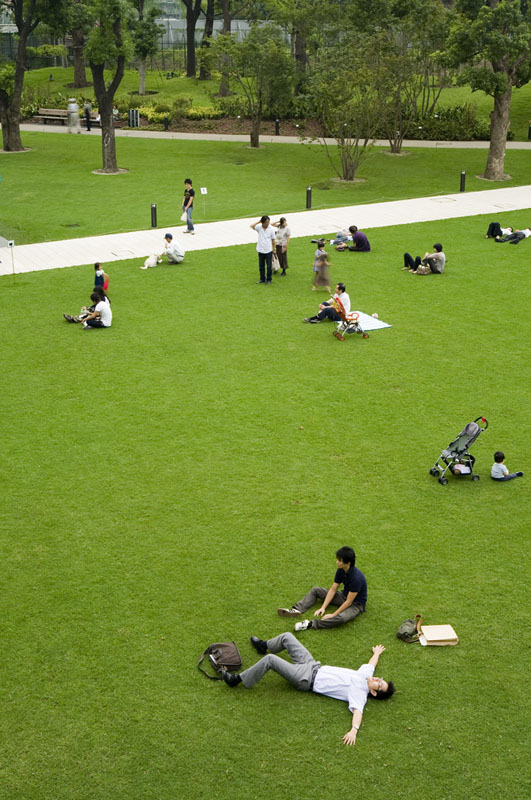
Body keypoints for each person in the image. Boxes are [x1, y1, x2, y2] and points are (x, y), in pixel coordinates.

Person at [220, 635, 394, 746]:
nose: (378, 679)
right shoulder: (365, 675)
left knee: (271, 660)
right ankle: (263, 645)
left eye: (379, 685)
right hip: (311, 664)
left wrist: (353, 730)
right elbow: (372, 665)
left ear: (373, 693)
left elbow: (358, 712)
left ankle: (237, 680)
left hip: (305, 679)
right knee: (287, 637)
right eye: (380, 679)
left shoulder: (360, 693)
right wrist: (377, 653)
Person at [276, 546, 366, 630]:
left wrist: (333, 614)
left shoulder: (356, 578)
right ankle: (296, 609)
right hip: (344, 596)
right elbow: (333, 589)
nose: (337, 562)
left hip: (355, 604)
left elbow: (349, 602)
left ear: (348, 562)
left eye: (340, 560)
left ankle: (310, 624)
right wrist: (323, 607)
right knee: (316, 590)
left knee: (341, 618)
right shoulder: (341, 570)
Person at [251, 215, 276, 284]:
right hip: (260, 250)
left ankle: (269, 279)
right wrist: (258, 221)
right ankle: (262, 278)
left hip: (268, 250)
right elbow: (251, 226)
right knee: (261, 266)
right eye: (266, 222)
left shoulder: (271, 229)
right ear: (262, 222)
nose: (268, 223)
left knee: (269, 266)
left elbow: (273, 240)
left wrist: (274, 249)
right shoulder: (259, 228)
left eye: (268, 222)